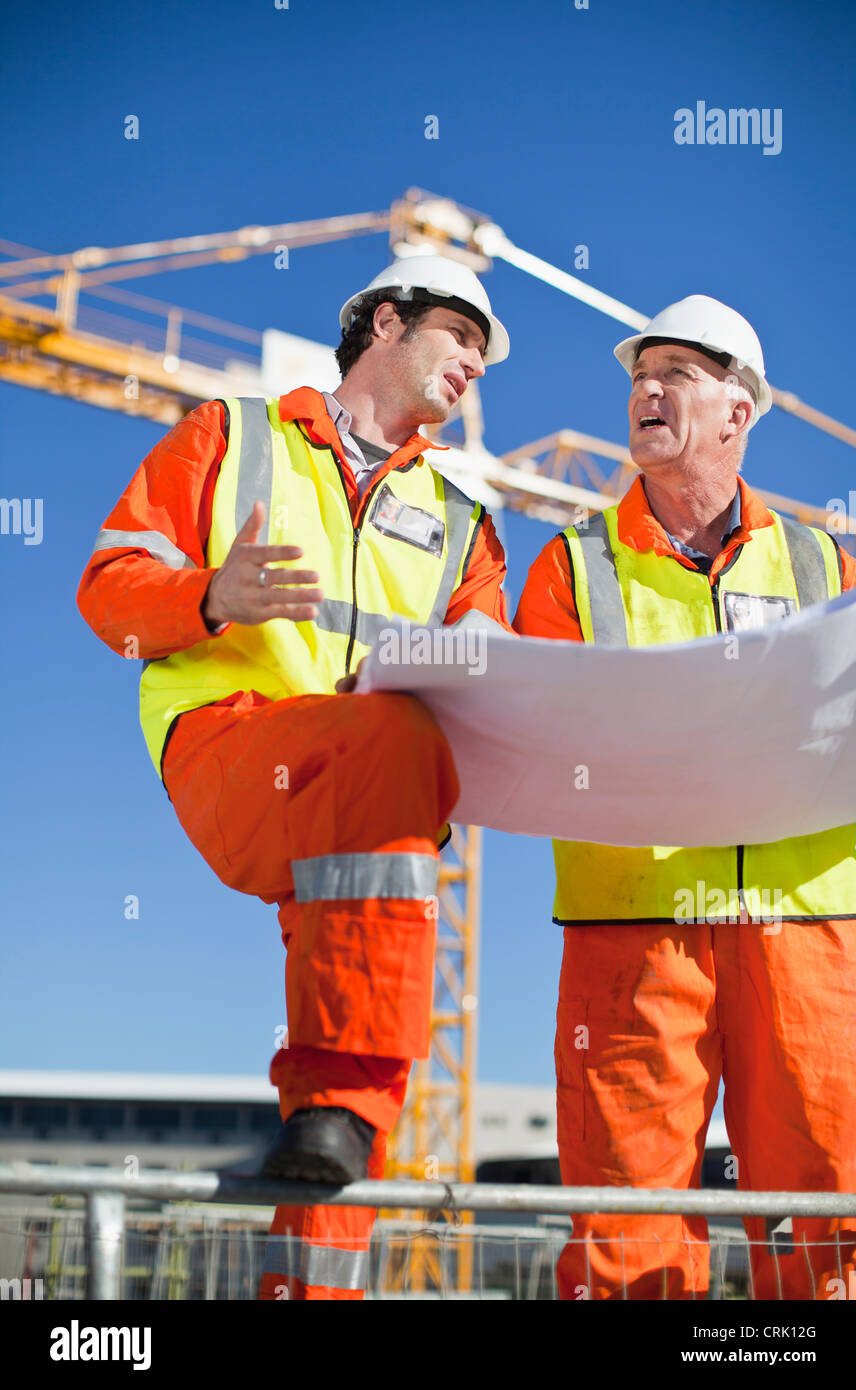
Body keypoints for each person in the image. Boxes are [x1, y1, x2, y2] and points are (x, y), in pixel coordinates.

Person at [77, 254, 513, 1300]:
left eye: (483, 354)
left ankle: (315, 1255)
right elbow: (107, 593)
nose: (474, 366)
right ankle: (342, 1114)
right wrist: (210, 595)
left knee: (353, 1060)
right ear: (386, 323)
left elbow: (496, 669)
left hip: (363, 809)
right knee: (392, 756)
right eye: (460, 335)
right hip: (234, 748)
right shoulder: (231, 436)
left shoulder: (465, 520)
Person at [514, 294, 856, 1301]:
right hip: (634, 927)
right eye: (637, 373)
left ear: (735, 412)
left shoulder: (823, 564)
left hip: (806, 928)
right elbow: (535, 735)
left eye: (675, 370)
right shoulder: (572, 566)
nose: (645, 389)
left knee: (824, 1217)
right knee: (626, 1227)